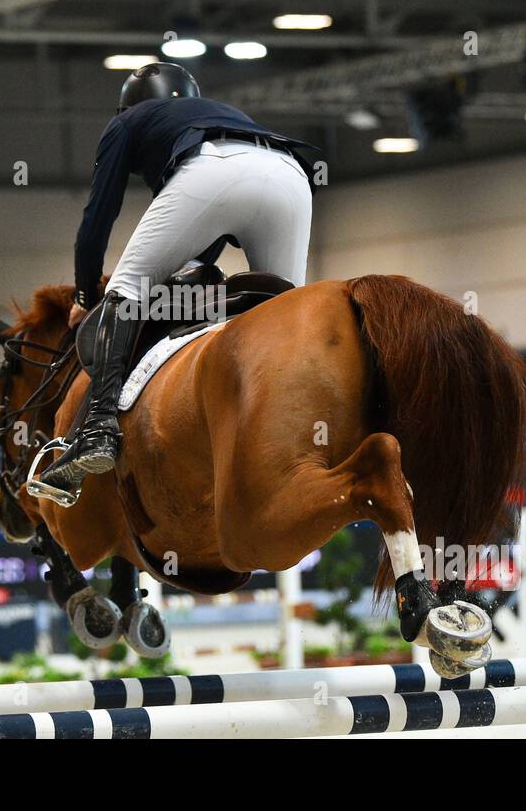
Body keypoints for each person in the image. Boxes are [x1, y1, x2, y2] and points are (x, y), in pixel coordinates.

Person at [40, 61, 318, 494]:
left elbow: (98, 220)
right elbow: (206, 238)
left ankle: (97, 429)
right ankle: (303, 431)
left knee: (126, 289)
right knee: (285, 318)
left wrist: (84, 292)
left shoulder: (127, 122)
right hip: (291, 176)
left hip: (214, 170)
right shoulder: (217, 114)